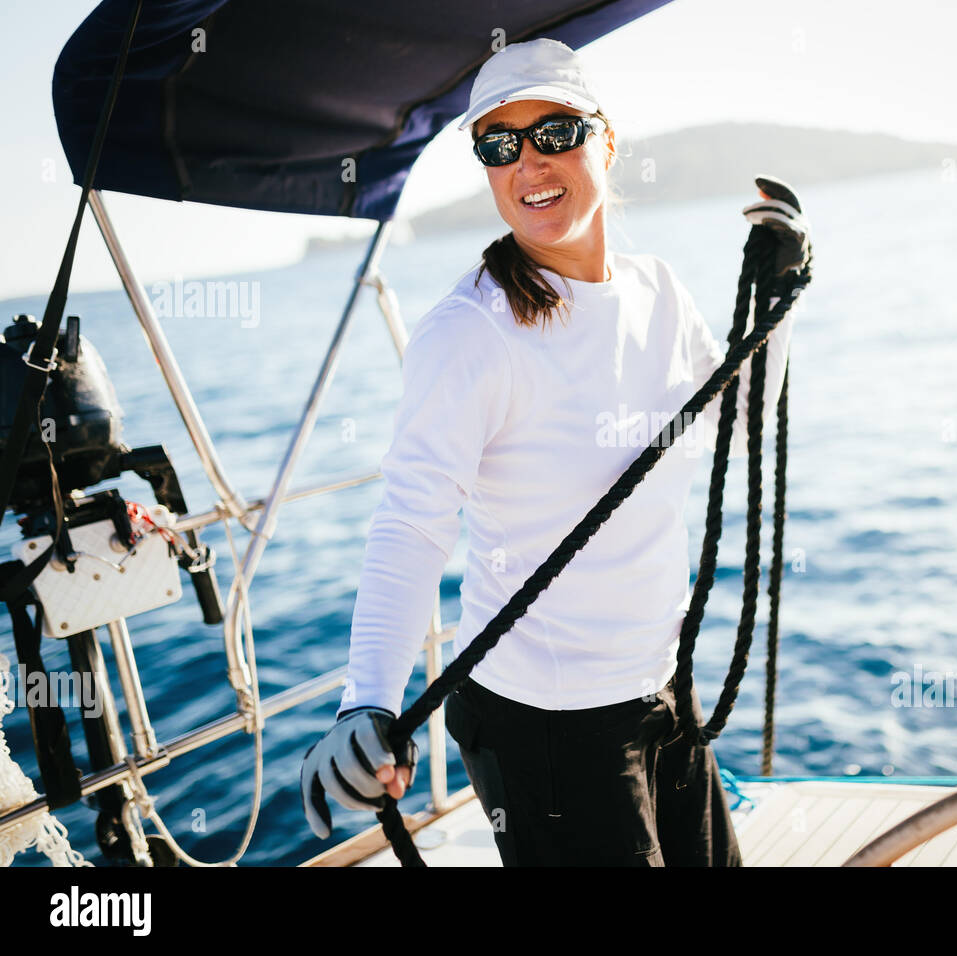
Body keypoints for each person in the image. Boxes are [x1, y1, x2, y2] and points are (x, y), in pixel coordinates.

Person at [300, 37, 809, 866]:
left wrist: (779, 298)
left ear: (607, 142)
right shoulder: (470, 334)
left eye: (556, 132)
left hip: (660, 688)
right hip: (544, 728)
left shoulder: (659, 292)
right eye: (499, 145)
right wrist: (365, 704)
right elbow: (412, 523)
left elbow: (740, 418)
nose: (528, 162)